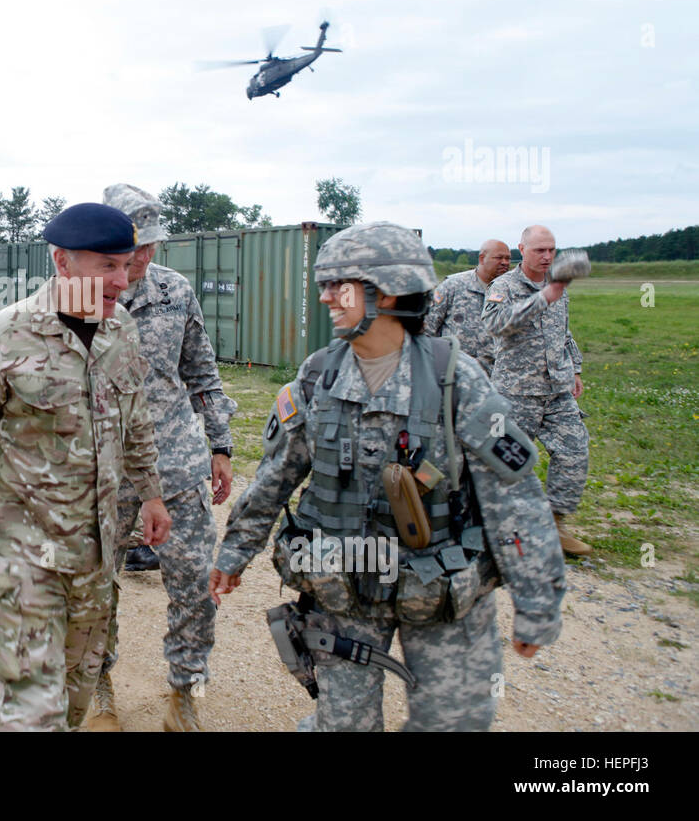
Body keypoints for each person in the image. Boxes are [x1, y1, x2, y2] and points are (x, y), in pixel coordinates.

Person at [211, 221, 564, 732]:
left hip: (443, 590)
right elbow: (275, 475)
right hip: (345, 591)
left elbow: (516, 500)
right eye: (325, 284)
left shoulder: (455, 380)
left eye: (340, 285)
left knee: (455, 722)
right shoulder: (318, 375)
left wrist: (537, 603)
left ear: (390, 291)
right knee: (344, 726)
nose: (327, 297)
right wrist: (234, 553)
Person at [0, 203, 172, 730]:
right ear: (63, 263)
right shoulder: (4, 337)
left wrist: (152, 493)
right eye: (107, 267)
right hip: (24, 565)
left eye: (126, 265)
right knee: (32, 715)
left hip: (95, 567)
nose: (123, 279)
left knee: (71, 709)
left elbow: (136, 421)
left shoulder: (122, 333)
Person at [89, 184, 237, 732]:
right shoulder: (80, 296)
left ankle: (185, 689)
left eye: (151, 243)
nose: (145, 256)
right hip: (100, 468)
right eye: (134, 244)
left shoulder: (176, 291)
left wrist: (220, 445)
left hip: (175, 460)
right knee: (93, 584)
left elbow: (201, 371)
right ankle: (96, 687)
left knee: (195, 583)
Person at [481, 225, 591, 556]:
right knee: (508, 463)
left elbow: (563, 331)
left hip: (556, 390)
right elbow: (495, 324)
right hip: (516, 391)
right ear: (522, 250)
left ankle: (555, 524)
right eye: (539, 250)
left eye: (551, 250)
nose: (546, 256)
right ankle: (500, 529)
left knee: (574, 452)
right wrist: (543, 298)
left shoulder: (556, 287)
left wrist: (574, 367)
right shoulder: (505, 286)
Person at [422, 239, 511, 375]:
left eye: (508, 258)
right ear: (482, 258)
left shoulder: (512, 292)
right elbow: (427, 329)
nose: (505, 262)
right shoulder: (453, 286)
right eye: (499, 258)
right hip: (455, 376)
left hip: (498, 380)